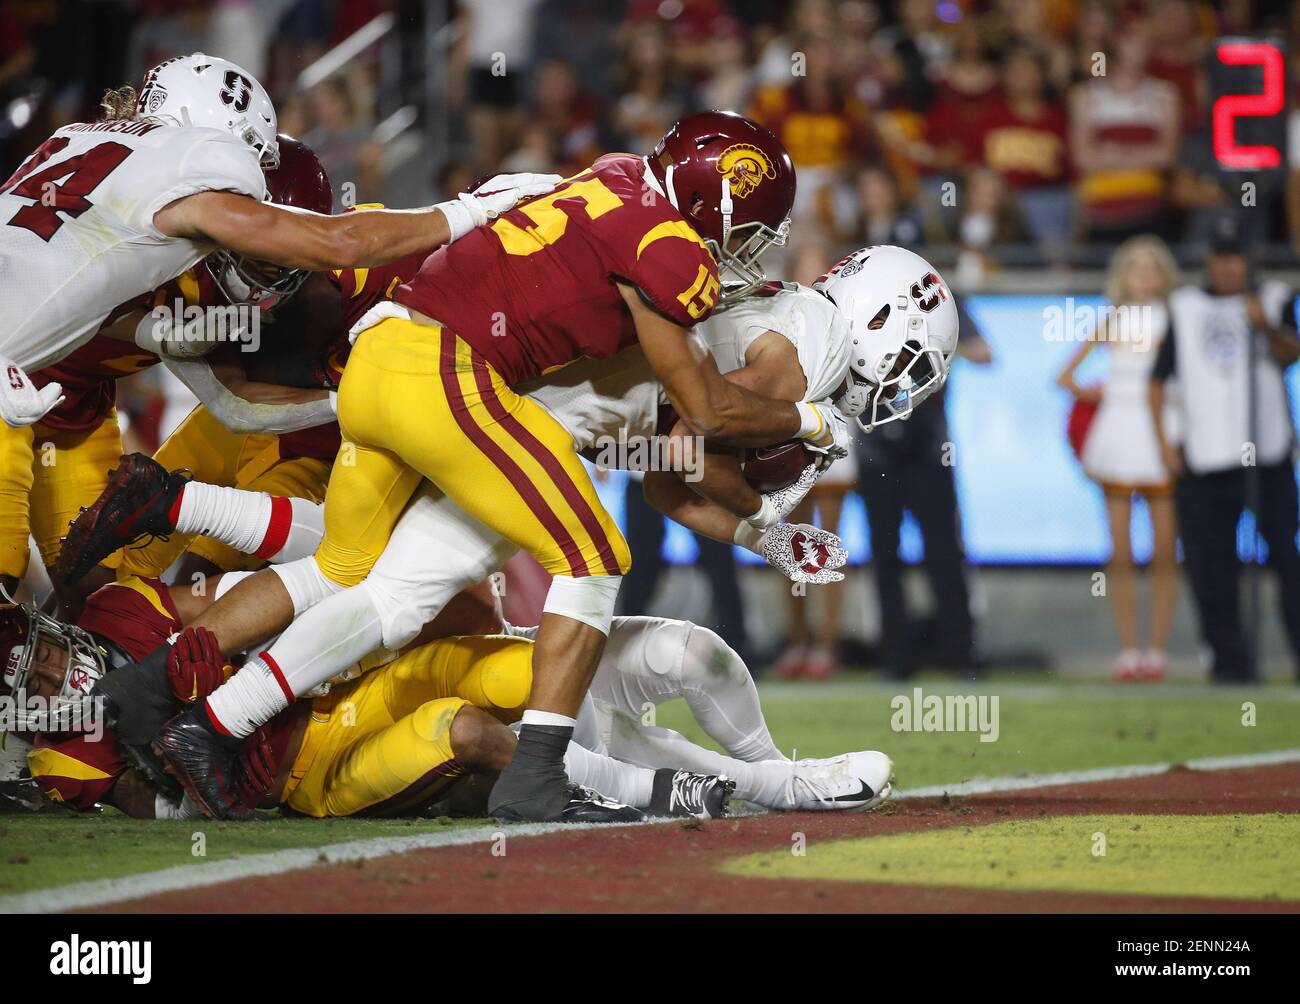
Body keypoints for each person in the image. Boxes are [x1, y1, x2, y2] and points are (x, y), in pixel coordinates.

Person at [101, 112, 853, 823]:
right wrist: (813, 421)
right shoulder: (673, 253)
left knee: (357, 575)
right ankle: (536, 777)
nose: (751, 248)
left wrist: (768, 531)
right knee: (592, 558)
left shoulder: (617, 175)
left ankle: (190, 715)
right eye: (749, 226)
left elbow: (669, 440)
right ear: (711, 201)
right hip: (450, 375)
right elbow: (708, 413)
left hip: (383, 358)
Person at [0, 52, 557, 428]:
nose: (254, 173)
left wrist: (148, 331)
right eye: (252, 153)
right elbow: (336, 245)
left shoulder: (76, 137)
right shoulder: (198, 164)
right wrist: (469, 210)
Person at [1149, 218, 1300, 682]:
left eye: (1236, 258)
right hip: (1205, 457)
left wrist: (1265, 326)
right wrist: (1164, 445)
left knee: (1287, 562)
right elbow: (1158, 379)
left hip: (1267, 456)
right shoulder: (1185, 306)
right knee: (1211, 568)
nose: (1228, 267)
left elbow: (1290, 354)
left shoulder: (1274, 298)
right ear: (1210, 261)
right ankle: (1231, 665)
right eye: (1220, 258)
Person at [820, 251, 971, 680]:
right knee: (886, 556)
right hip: (877, 449)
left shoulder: (937, 301)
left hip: (927, 446)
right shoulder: (859, 306)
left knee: (942, 551)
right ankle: (897, 655)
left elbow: (976, 350)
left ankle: (959, 649)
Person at [1056, 235, 1180, 680]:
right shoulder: (1114, 319)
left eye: (1152, 267)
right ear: (1123, 275)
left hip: (1162, 427)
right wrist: (1096, 391)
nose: (1144, 276)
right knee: (1121, 551)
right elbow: (1065, 375)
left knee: (1166, 550)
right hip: (1121, 430)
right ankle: (1130, 649)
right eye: (1136, 268)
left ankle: (1158, 649)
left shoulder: (1174, 317)